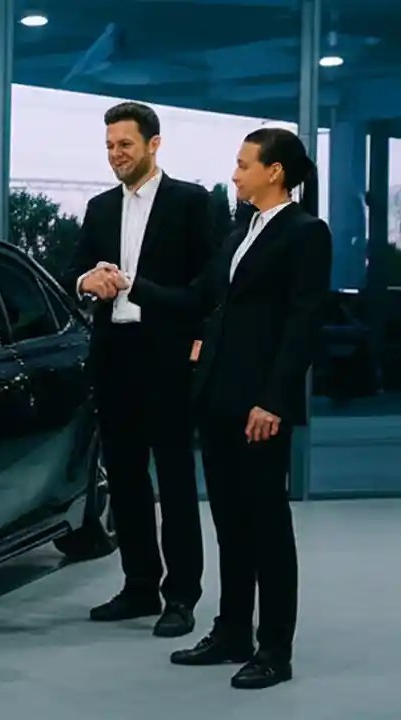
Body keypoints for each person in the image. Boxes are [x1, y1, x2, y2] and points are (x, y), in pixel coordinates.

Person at [98, 127, 331, 689]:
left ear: (274, 172)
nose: (234, 174)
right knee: (230, 525)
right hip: (219, 399)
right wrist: (132, 286)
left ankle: (274, 649)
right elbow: (199, 297)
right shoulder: (242, 230)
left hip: (259, 407)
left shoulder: (305, 233)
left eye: (243, 164)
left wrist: (274, 400)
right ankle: (232, 632)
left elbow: (302, 325)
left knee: (268, 529)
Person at [63, 101, 214, 638]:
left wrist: (145, 294)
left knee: (174, 481)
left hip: (168, 359)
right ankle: (139, 585)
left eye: (124, 144)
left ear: (154, 144)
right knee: (125, 478)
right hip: (114, 356)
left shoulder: (192, 202)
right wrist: (86, 282)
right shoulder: (100, 207)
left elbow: (208, 288)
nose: (115, 155)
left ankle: (182, 596)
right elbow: (72, 270)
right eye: (109, 146)